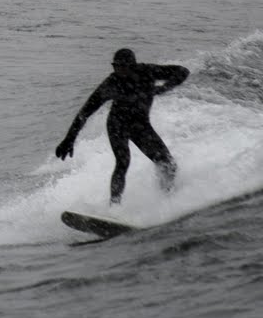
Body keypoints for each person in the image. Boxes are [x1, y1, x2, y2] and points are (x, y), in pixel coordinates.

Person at [54, 48, 190, 204]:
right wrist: (69, 139)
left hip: (141, 126)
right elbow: (84, 113)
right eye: (115, 66)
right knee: (123, 161)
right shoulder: (111, 84)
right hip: (117, 124)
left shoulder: (148, 71)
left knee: (168, 164)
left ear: (132, 64)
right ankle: (114, 205)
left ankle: (167, 199)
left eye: (122, 66)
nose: (119, 70)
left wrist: (164, 88)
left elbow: (182, 71)